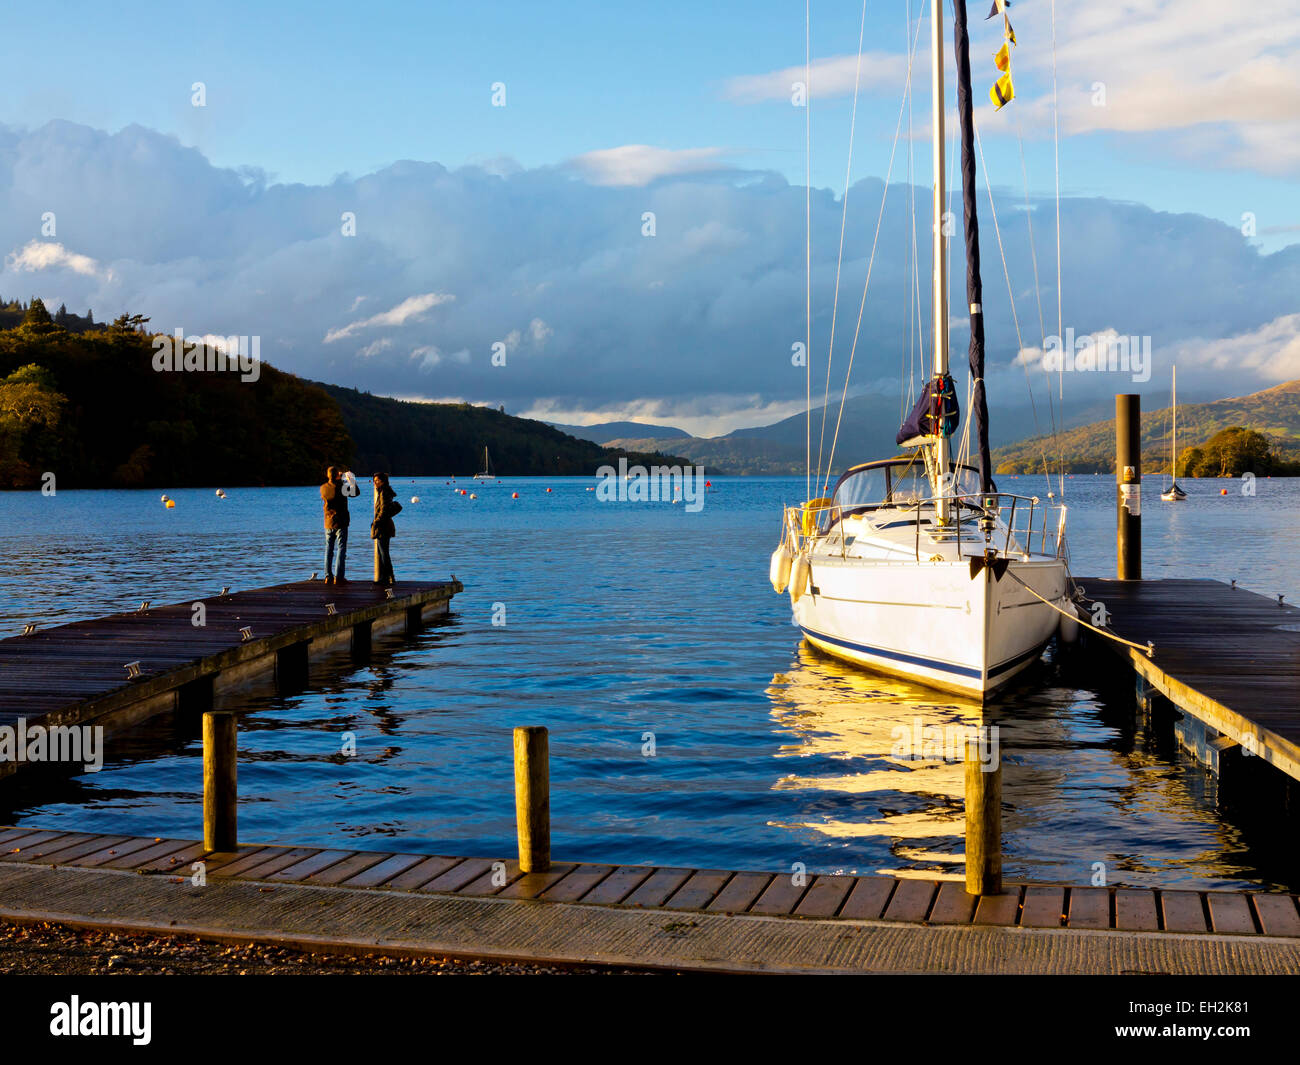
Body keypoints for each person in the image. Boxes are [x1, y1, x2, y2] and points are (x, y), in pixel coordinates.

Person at [321, 465, 351, 585]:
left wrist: (340, 478)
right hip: (341, 522)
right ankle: (339, 577)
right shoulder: (342, 487)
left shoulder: (323, 487)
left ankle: (328, 576)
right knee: (341, 549)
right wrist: (350, 479)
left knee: (328, 550)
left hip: (328, 522)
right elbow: (355, 493)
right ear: (337, 475)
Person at [370, 472, 403, 584]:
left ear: (383, 481)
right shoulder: (383, 492)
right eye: (374, 480)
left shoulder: (384, 493)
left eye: (377, 480)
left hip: (383, 526)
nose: (375, 482)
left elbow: (383, 510)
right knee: (382, 552)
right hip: (384, 525)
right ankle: (385, 577)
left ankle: (389, 577)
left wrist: (376, 522)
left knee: (384, 553)